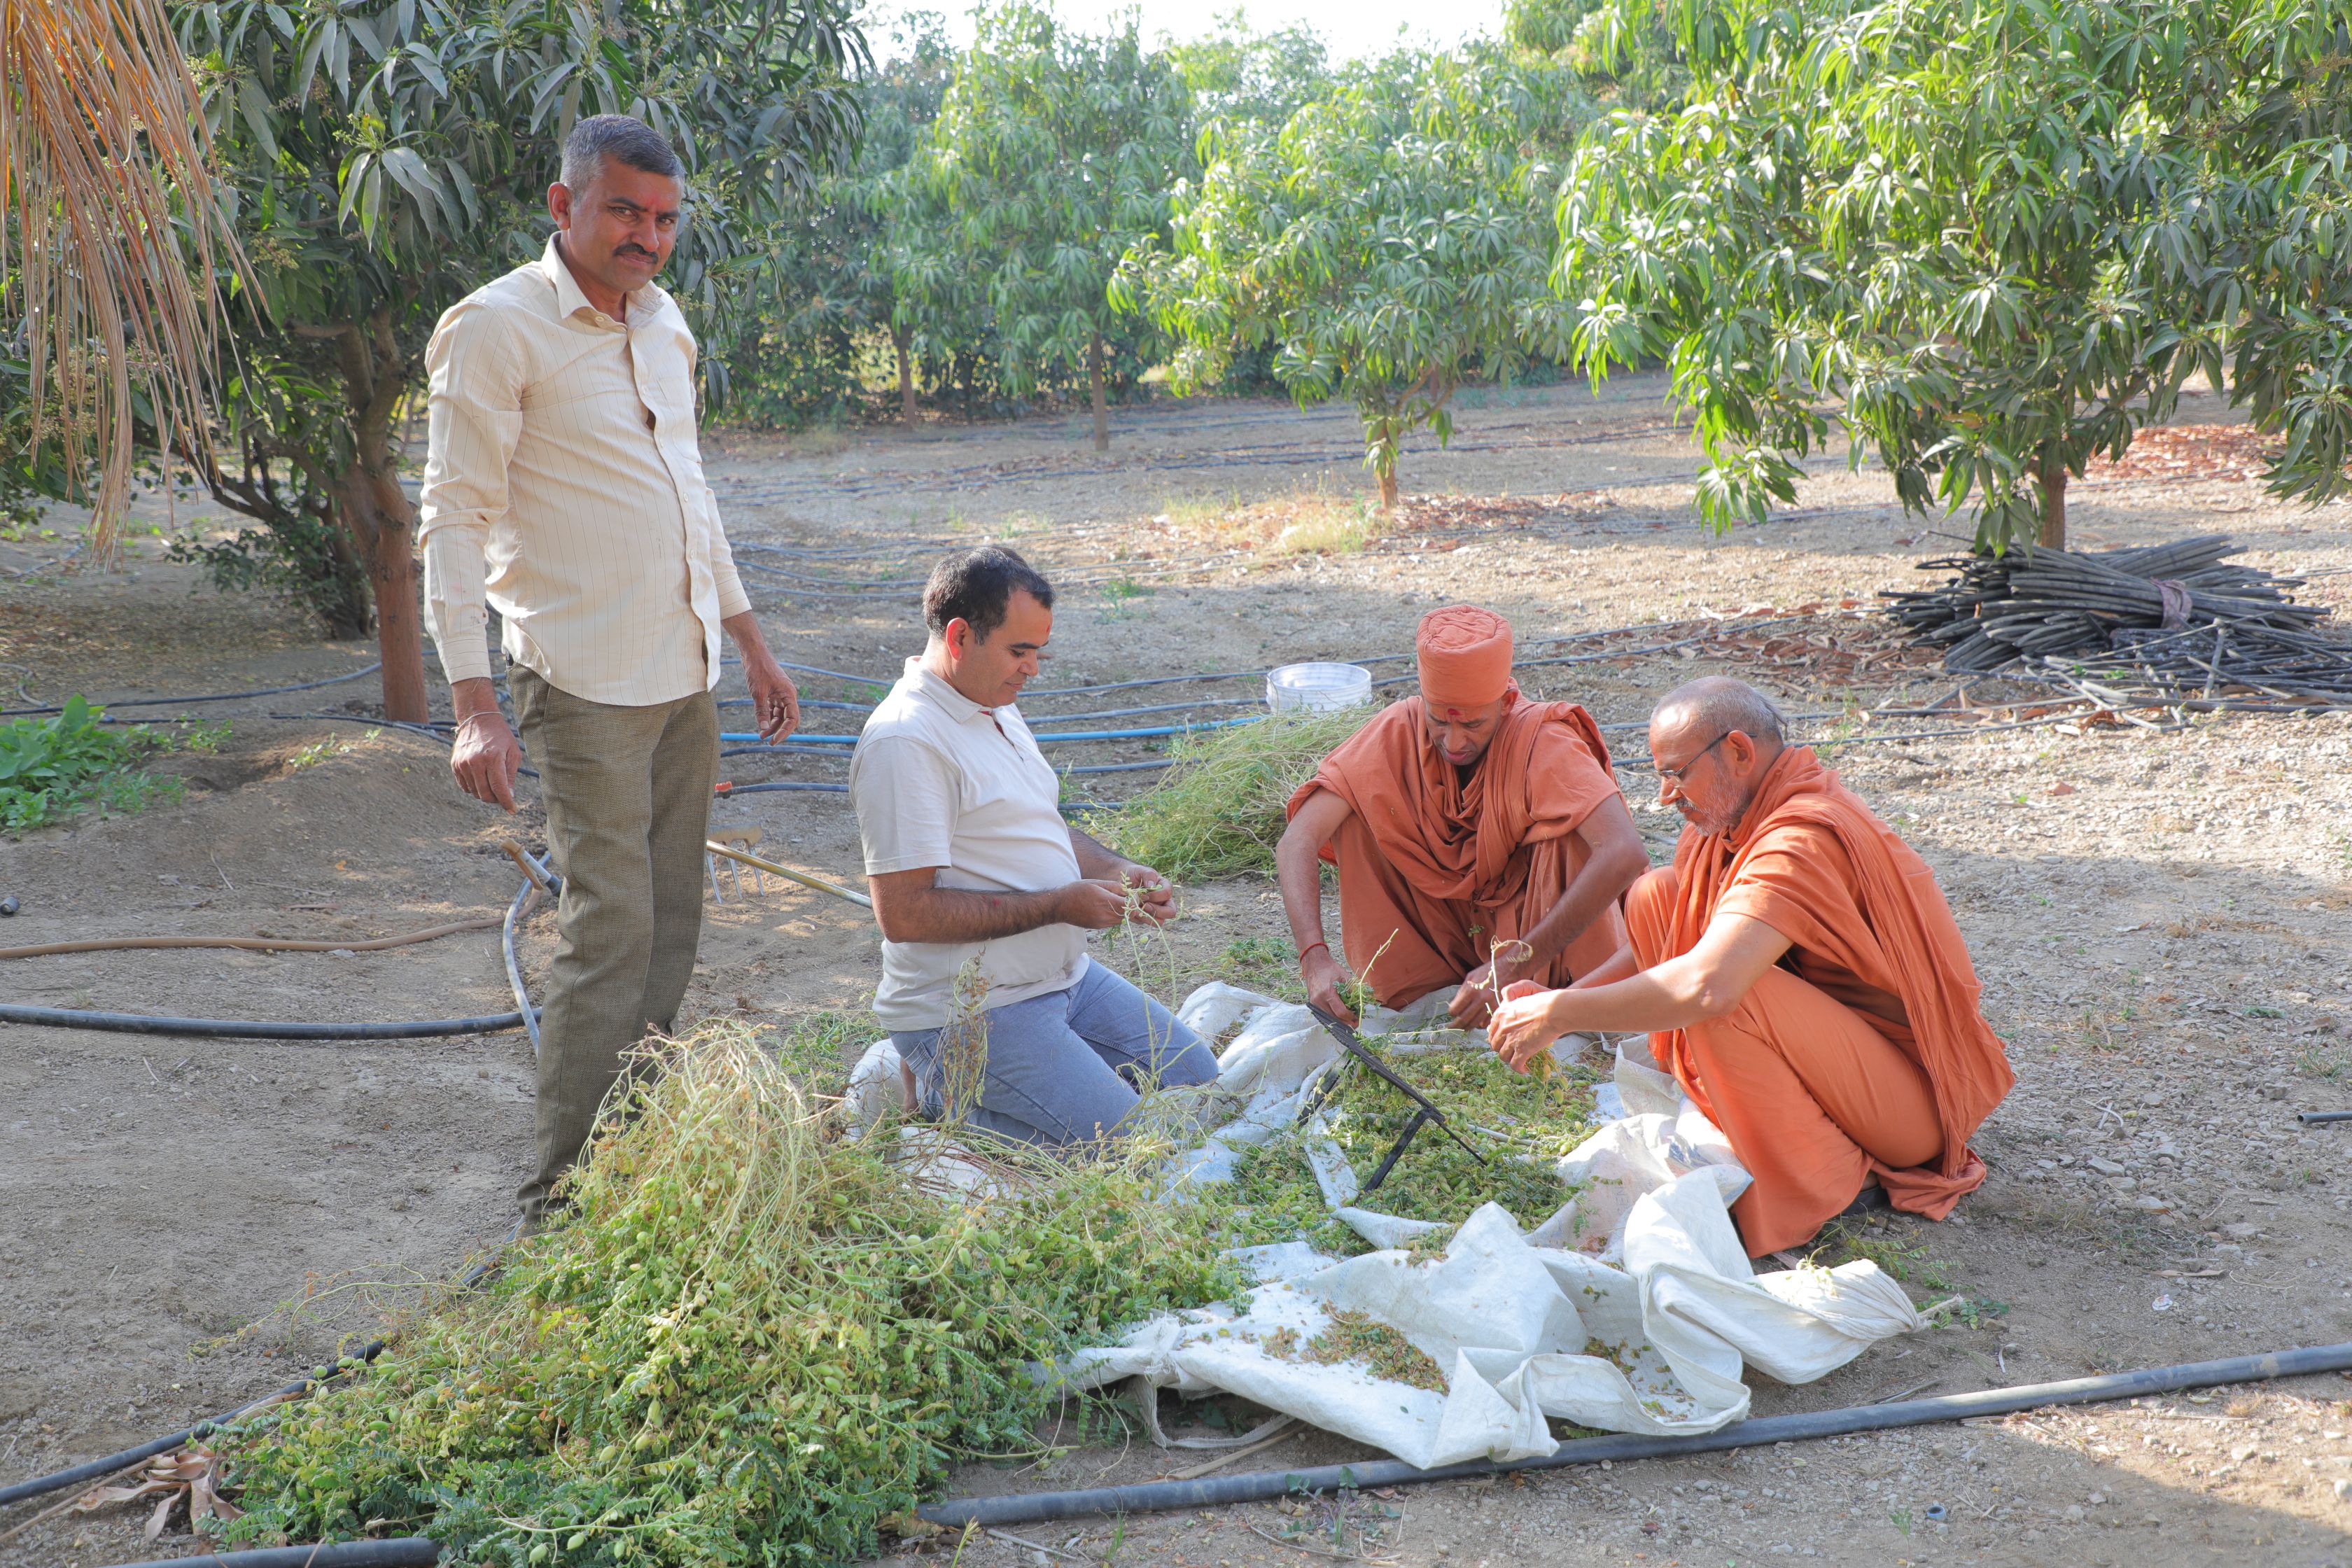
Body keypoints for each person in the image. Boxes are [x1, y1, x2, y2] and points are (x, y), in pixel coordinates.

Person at [418, 114, 800, 1229]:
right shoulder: (495, 330)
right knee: (612, 929)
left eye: (665, 219)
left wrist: (755, 644)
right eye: (625, 211)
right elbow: (453, 519)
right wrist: (473, 705)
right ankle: (560, 1199)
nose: (647, 237)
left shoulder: (665, 323)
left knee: (674, 917)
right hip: (578, 678)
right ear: (563, 204)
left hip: (683, 673)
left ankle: (631, 1158)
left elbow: (693, 501)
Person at [1486, 677, 2016, 1256]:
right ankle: (1758, 1128)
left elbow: (1709, 985)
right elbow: (1670, 940)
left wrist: (1558, 1012)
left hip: (1915, 1105)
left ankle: (1829, 1176)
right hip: (1839, 1057)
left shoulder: (1799, 839)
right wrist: (1558, 999)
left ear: (1738, 751)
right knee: (1659, 896)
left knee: (1729, 996)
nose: (1666, 795)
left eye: (1676, 773)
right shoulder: (1734, 821)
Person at [850, 546, 1220, 1144]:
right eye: (1019, 652)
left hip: (1063, 979)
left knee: (1201, 1086)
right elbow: (904, 913)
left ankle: (1018, 1087)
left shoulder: (991, 700)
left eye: (1039, 652)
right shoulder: (906, 741)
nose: (1033, 670)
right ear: (960, 636)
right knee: (1127, 1150)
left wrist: (1118, 869)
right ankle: (938, 1097)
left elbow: (1039, 824)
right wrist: (1058, 905)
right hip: (969, 1010)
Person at [1274, 604, 1648, 1028]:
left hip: (1536, 951)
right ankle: (1419, 993)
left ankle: (1565, 1001)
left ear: (1506, 702)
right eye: (1438, 721)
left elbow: (1624, 852)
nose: (1453, 742)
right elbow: (1296, 841)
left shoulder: (1544, 742)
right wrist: (1314, 959)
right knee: (1359, 809)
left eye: (1471, 724)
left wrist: (1514, 963)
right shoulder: (1398, 731)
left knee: (1575, 833)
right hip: (1441, 938)